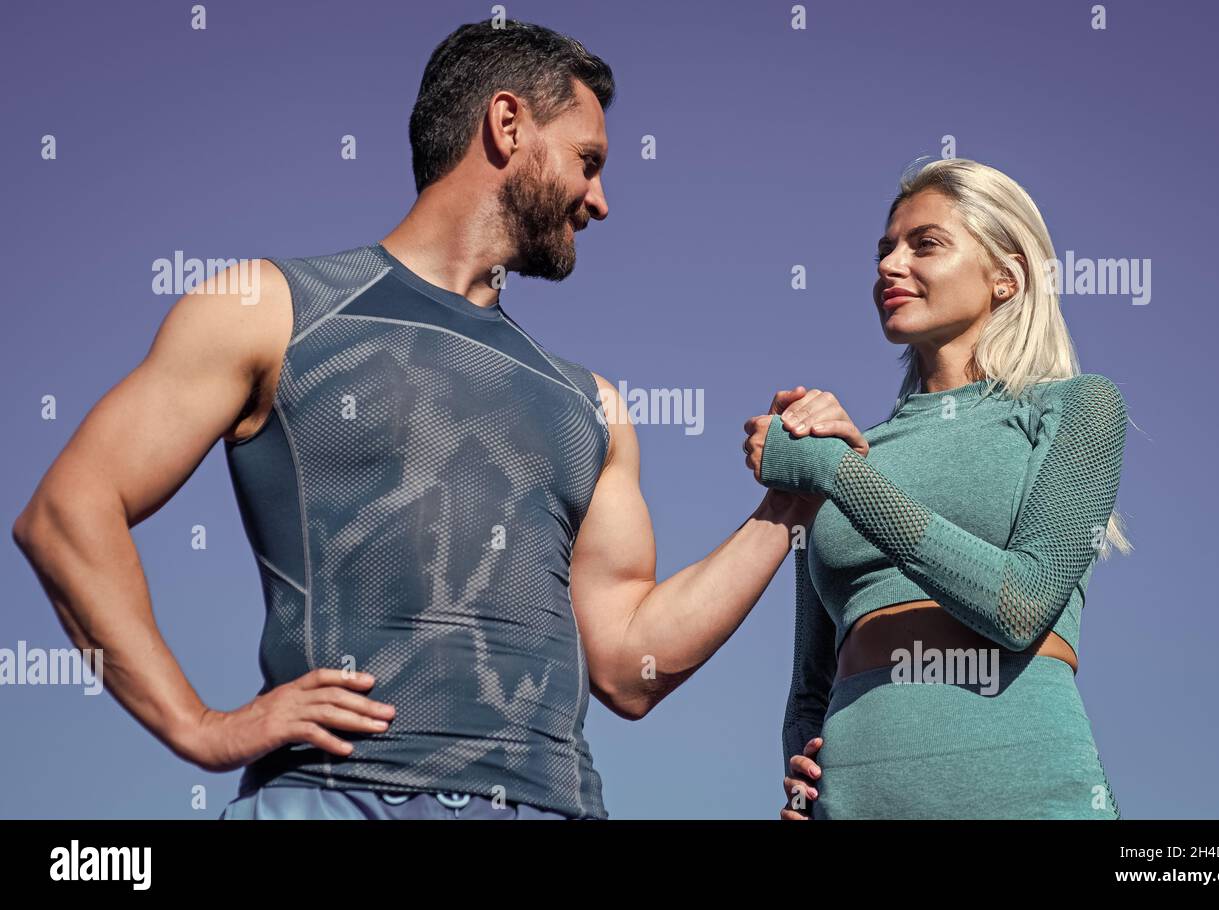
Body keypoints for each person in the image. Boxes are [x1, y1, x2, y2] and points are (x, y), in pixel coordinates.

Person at [11, 19, 820, 820]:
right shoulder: (271, 311)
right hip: (335, 797)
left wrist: (785, 510)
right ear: (507, 125)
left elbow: (628, 668)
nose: (600, 201)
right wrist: (200, 725)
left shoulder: (595, 409)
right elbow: (67, 513)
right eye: (589, 162)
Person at [742, 157, 1132, 819]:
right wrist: (802, 777)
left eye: (925, 245)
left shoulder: (1076, 408)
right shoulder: (854, 451)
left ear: (1006, 277)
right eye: (885, 250)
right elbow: (811, 683)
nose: (891, 265)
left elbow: (1020, 605)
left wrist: (835, 473)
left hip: (1024, 795)